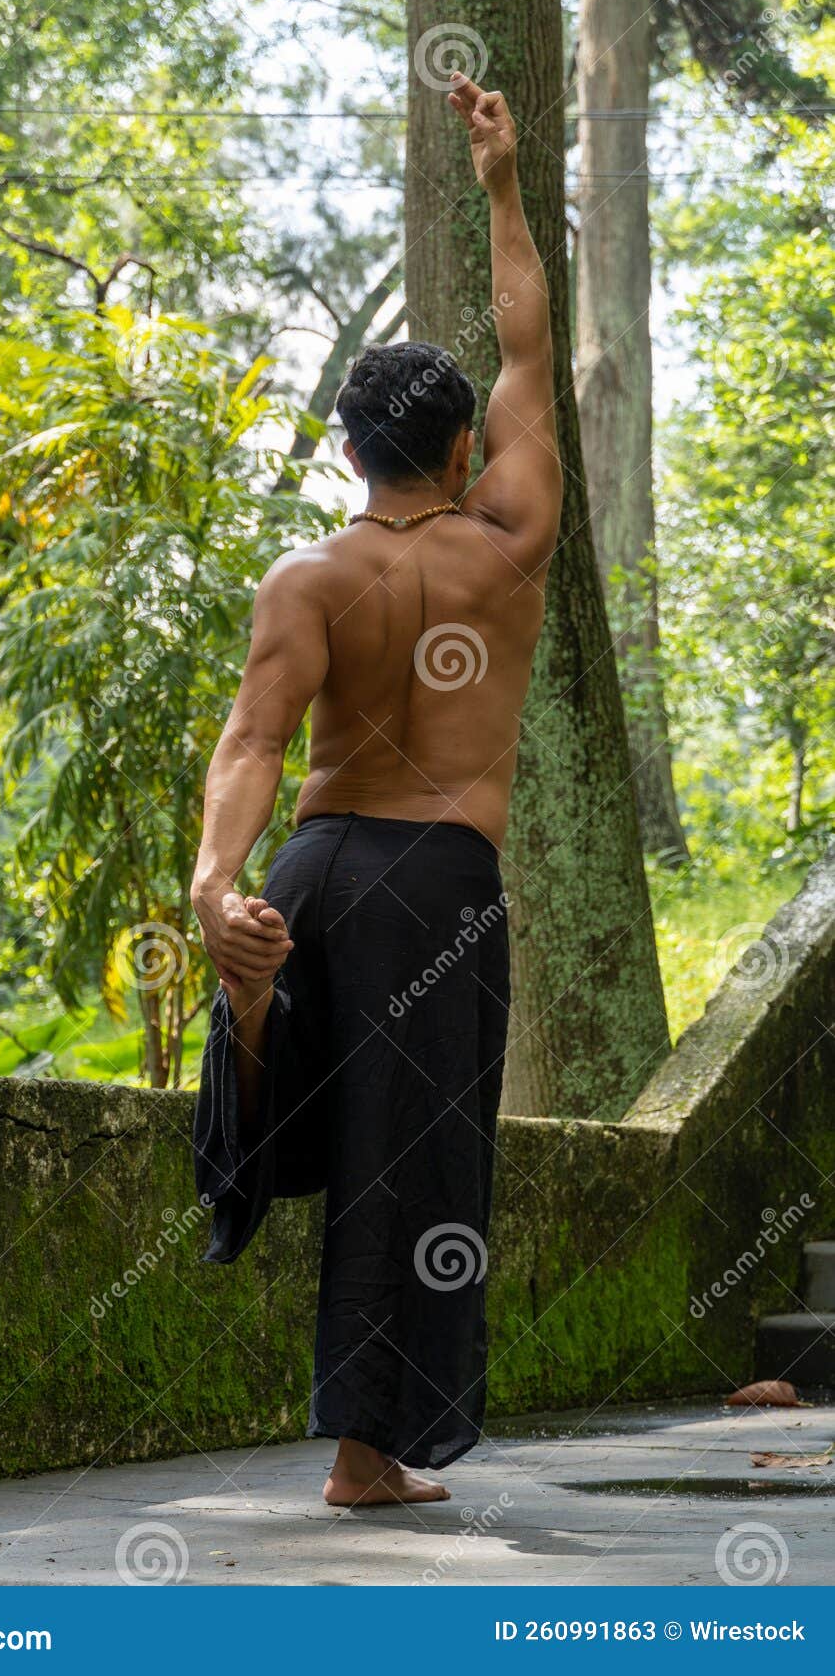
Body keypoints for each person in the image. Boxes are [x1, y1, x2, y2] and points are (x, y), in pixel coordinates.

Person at [189, 80, 562, 1507]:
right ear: (465, 448)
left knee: (304, 1090)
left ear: (348, 450)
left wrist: (218, 884)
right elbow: (531, 340)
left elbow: (252, 743)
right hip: (436, 886)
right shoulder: (511, 542)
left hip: (317, 867)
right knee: (412, 1159)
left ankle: (258, 1006)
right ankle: (368, 1452)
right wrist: (503, 186)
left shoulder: (310, 579)